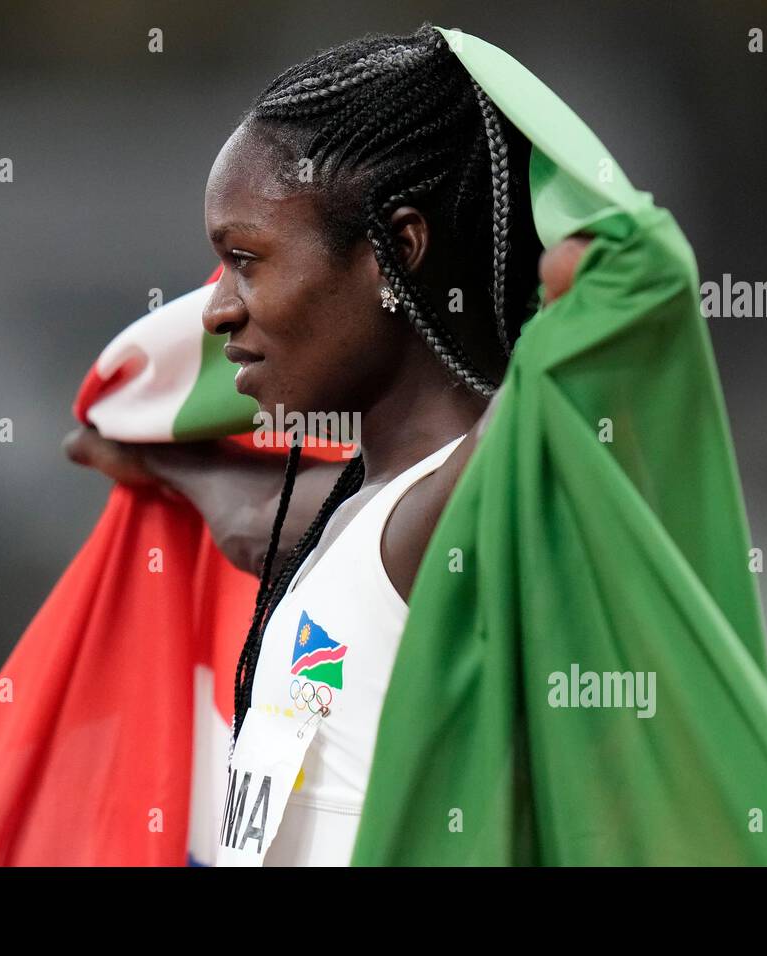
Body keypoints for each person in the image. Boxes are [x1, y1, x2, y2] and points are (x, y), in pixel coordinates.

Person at [63, 22, 590, 865]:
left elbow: (547, 415)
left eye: (246, 259)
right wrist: (165, 458)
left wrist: (597, 290)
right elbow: (255, 520)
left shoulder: (456, 504)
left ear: (396, 251)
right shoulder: (358, 512)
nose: (216, 308)